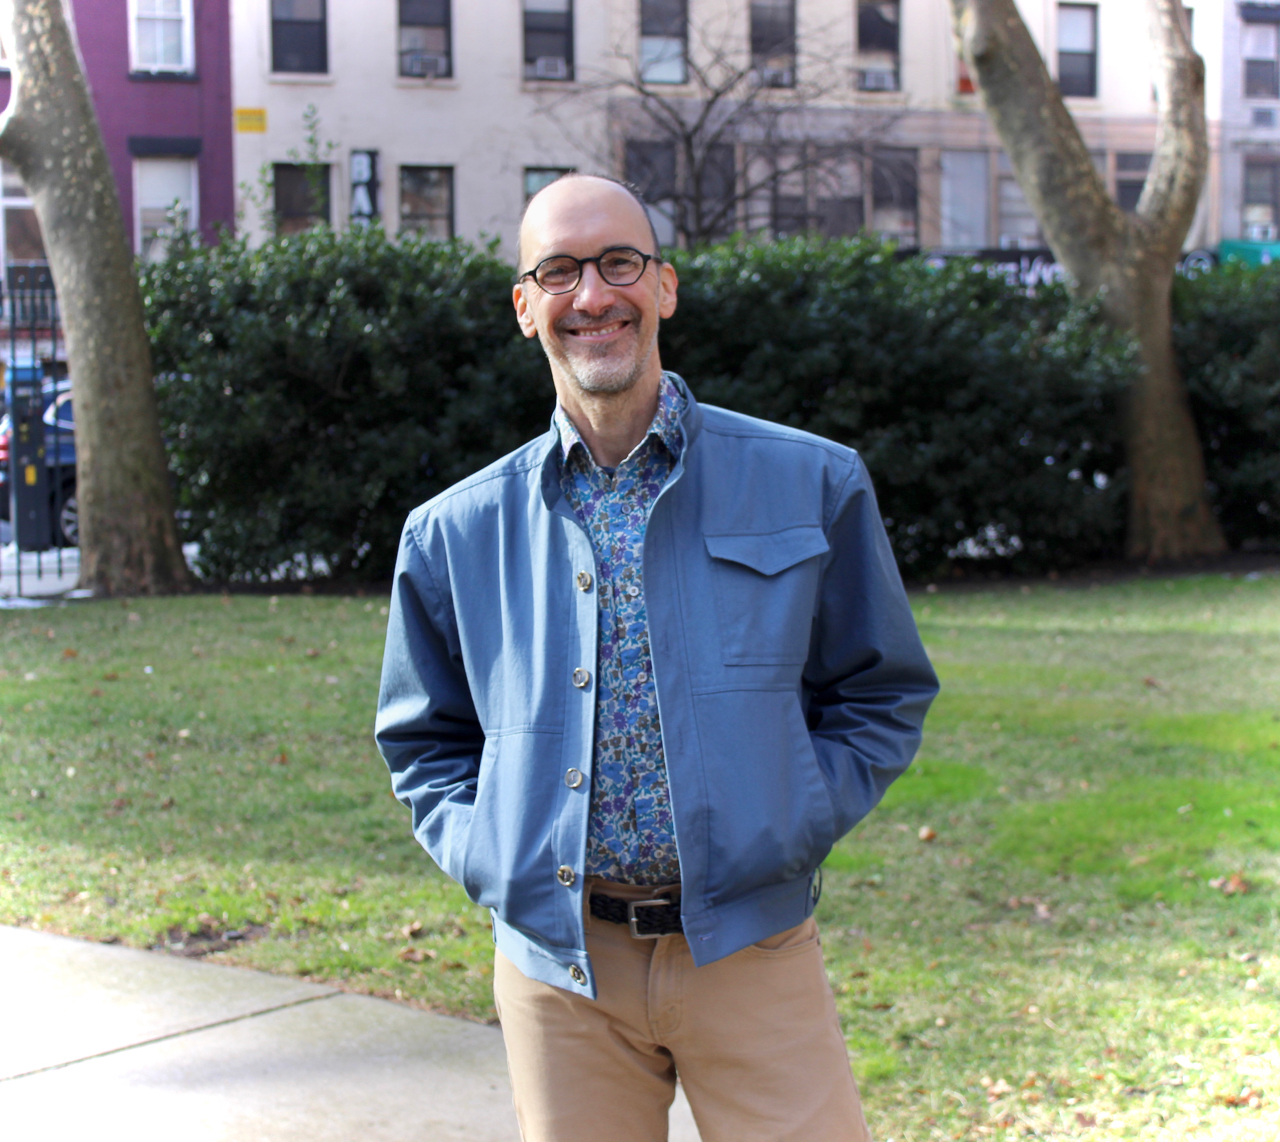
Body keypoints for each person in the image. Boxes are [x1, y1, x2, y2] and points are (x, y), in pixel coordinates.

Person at [375, 173, 939, 1142]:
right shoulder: (452, 533)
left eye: (617, 263)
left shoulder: (810, 481)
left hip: (753, 949)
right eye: (557, 271)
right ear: (524, 307)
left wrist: (792, 813)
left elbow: (879, 688)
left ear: (663, 287)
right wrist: (493, 857)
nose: (591, 294)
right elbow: (423, 740)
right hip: (561, 971)